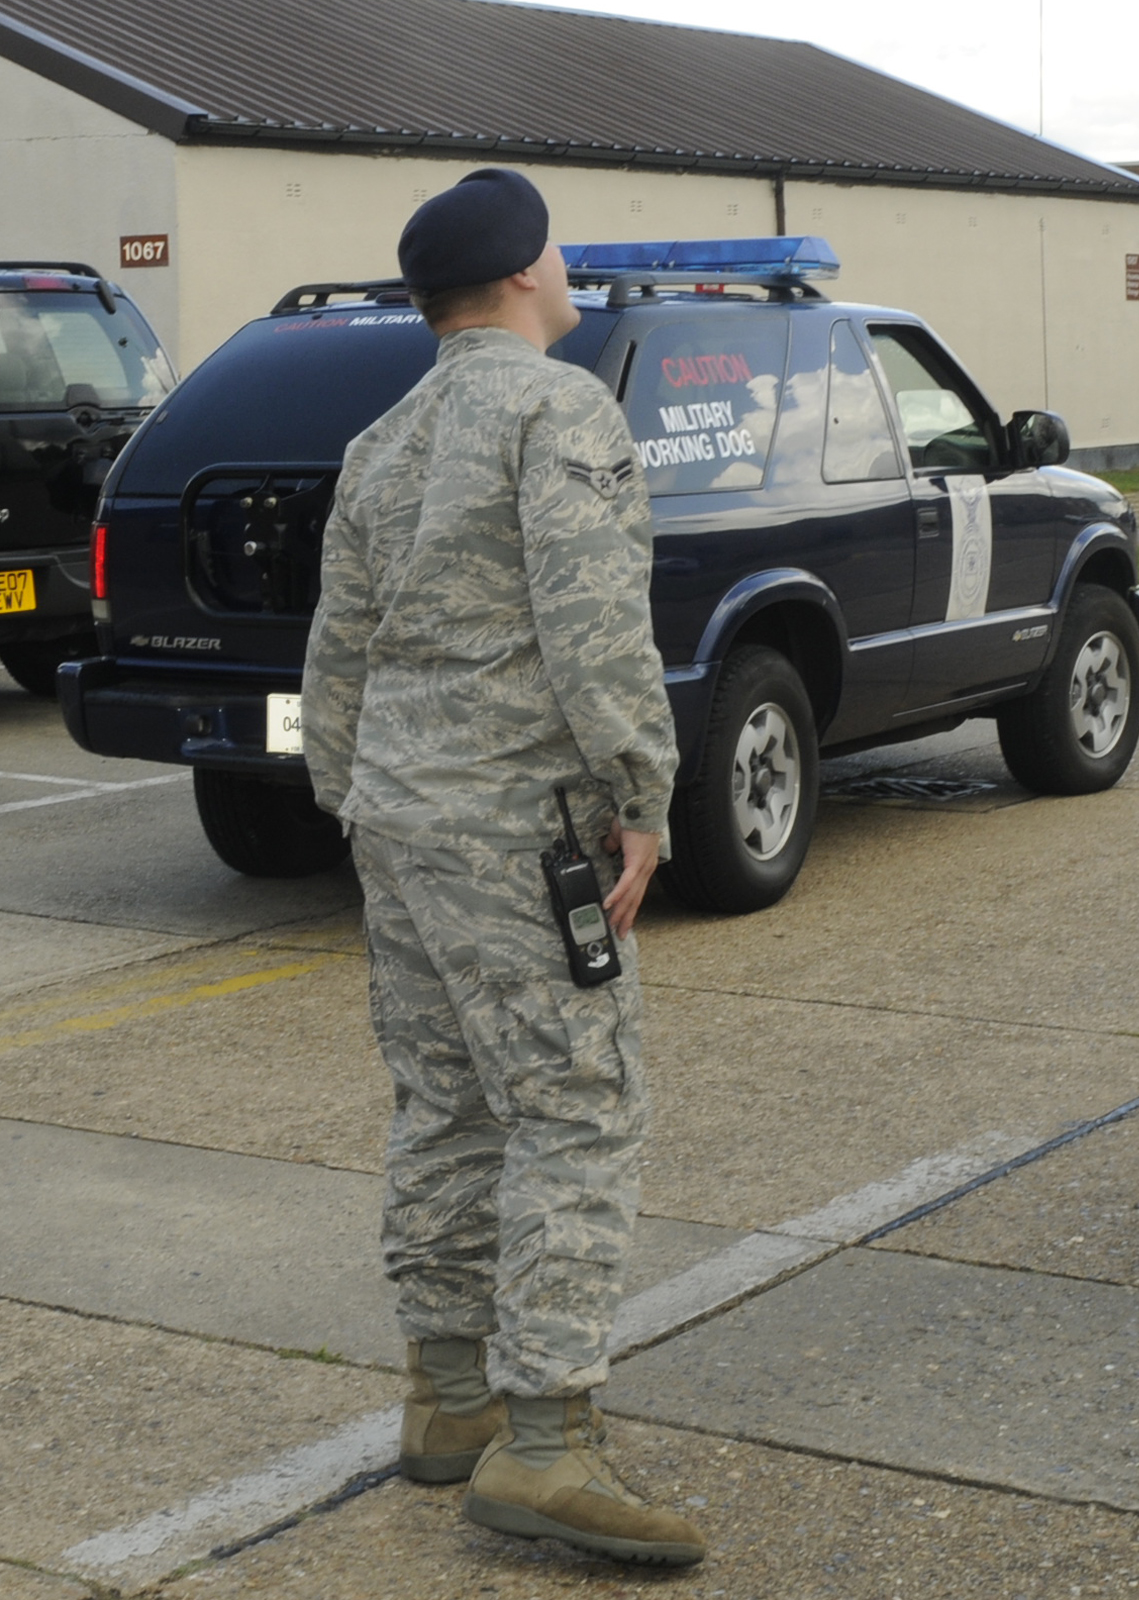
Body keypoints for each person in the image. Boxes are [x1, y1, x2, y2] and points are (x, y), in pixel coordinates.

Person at [301, 168, 702, 1564]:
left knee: (445, 1107)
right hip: (512, 826)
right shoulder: (558, 407)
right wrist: (642, 794)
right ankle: (547, 1446)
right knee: (577, 1110)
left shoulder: (384, 437)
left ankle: (447, 1400)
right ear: (530, 268)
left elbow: (332, 656)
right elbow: (593, 624)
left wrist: (350, 795)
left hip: (398, 820)